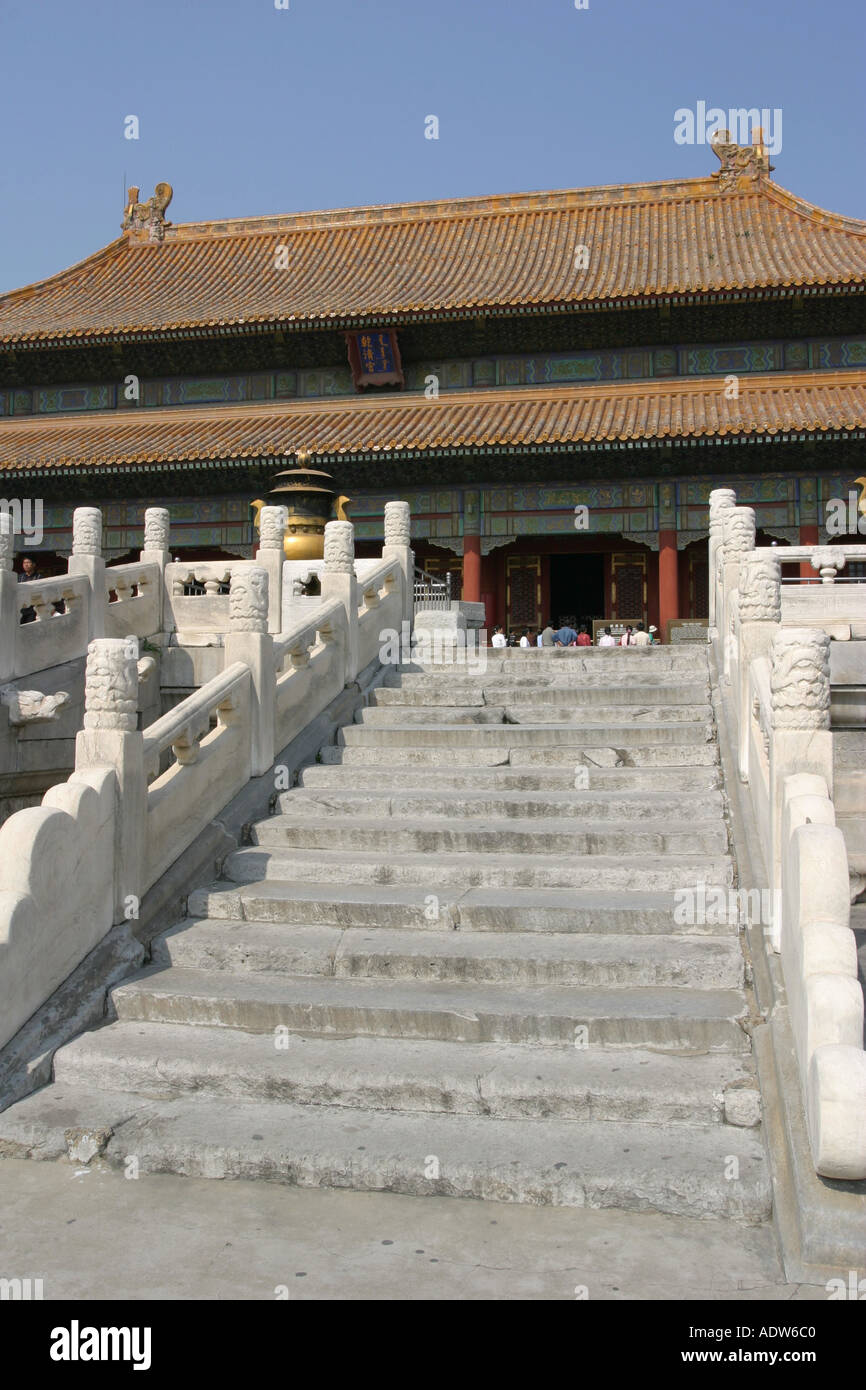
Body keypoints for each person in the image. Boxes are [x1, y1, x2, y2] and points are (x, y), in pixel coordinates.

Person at [17, 554, 43, 623]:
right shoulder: (20, 577)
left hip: (32, 609)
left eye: (28, 562)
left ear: (34, 564)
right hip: (21, 608)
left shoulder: (39, 577)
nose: (26, 565)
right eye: (24, 563)